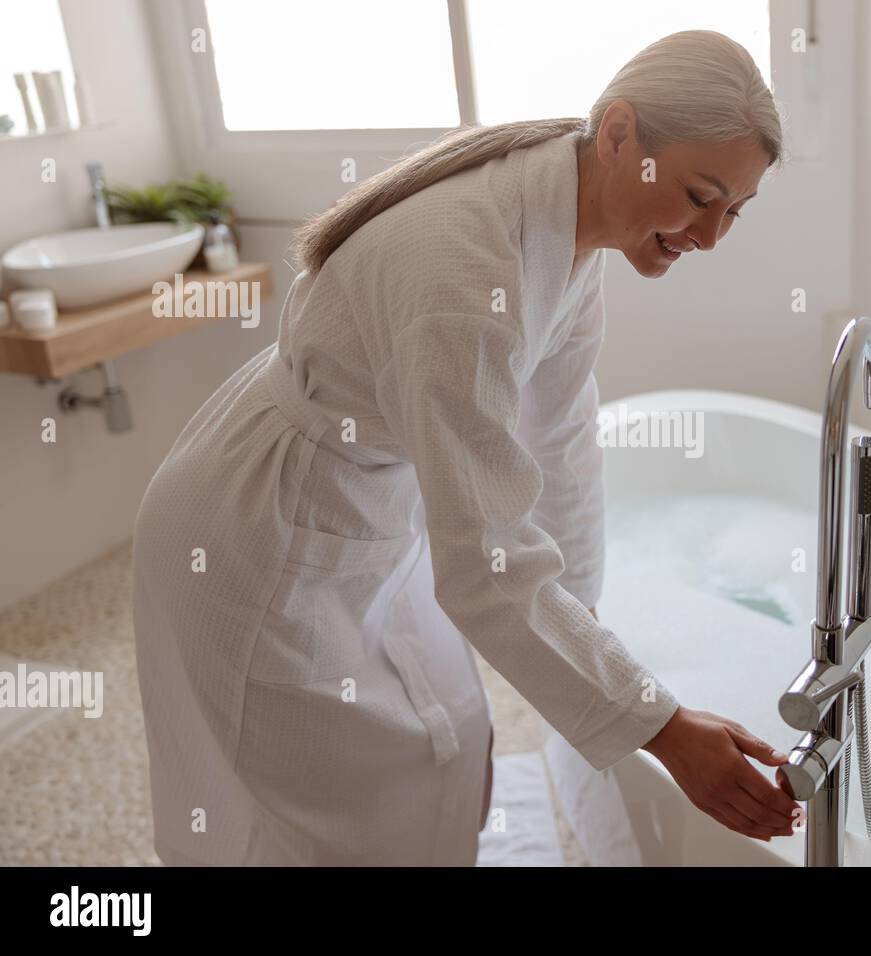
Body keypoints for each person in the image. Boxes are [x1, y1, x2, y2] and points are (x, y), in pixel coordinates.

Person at [132, 29, 797, 865]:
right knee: (321, 805)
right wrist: (661, 729)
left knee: (441, 735)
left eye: (732, 210)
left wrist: (585, 621)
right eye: (701, 197)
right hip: (258, 538)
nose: (710, 236)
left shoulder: (570, 223)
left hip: (365, 501)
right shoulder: (465, 272)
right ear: (621, 133)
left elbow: (560, 436)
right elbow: (488, 563)